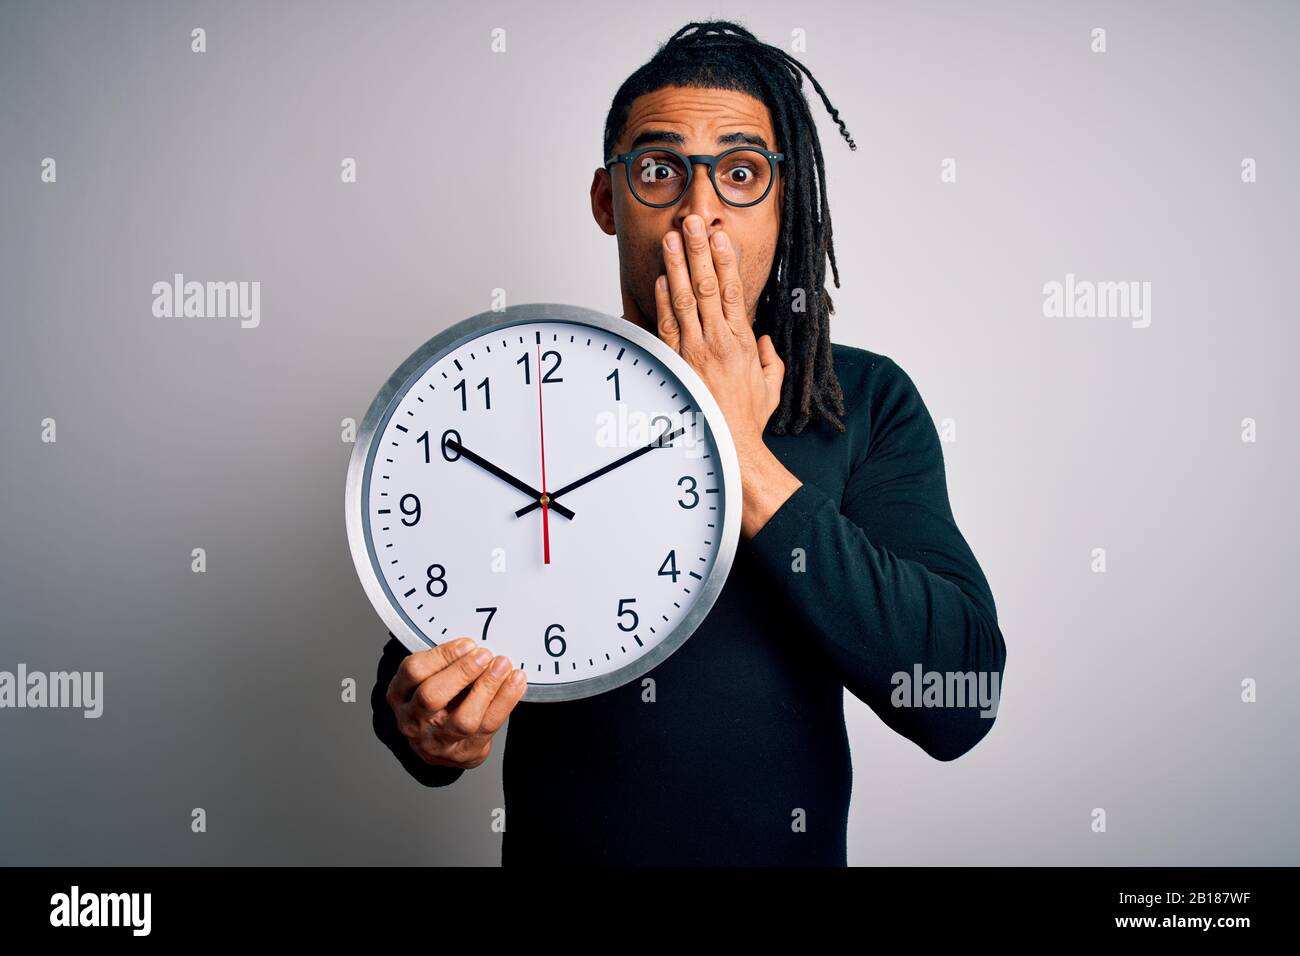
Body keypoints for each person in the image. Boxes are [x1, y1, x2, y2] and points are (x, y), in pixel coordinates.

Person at [371, 19, 1007, 866]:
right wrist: (425, 728)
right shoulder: (523, 385)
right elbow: (414, 659)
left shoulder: (861, 401)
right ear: (608, 199)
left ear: (787, 202)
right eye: (661, 169)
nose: (698, 209)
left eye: (741, 173)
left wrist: (740, 451)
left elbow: (959, 701)